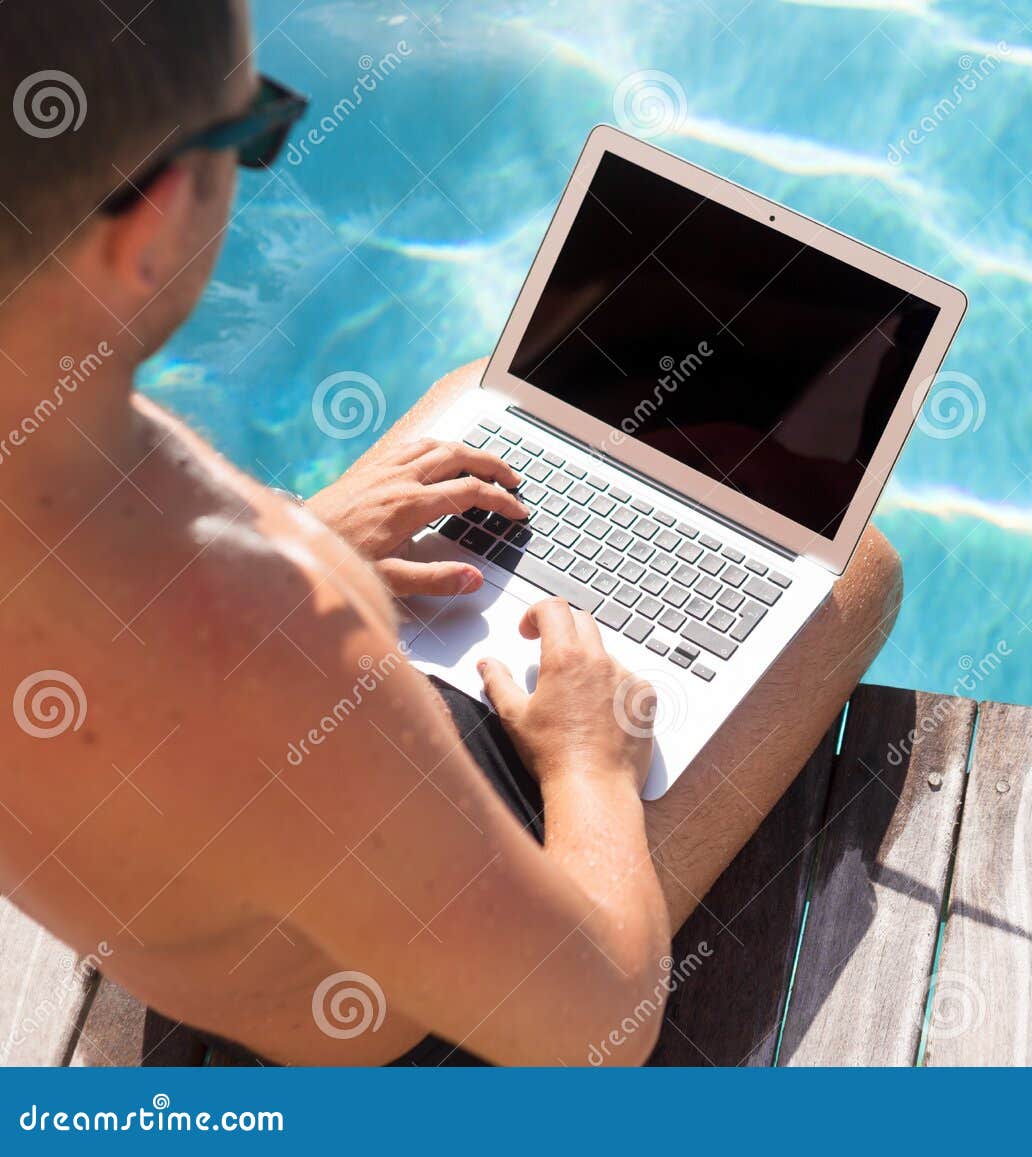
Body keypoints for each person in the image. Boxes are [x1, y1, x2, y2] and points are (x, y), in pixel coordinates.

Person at [0, 1, 900, 1066]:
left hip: (219, 892)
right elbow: (598, 1027)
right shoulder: (280, 639)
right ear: (151, 223)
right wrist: (588, 762)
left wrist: (312, 529)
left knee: (478, 396)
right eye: (254, 130)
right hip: (411, 1029)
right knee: (858, 569)